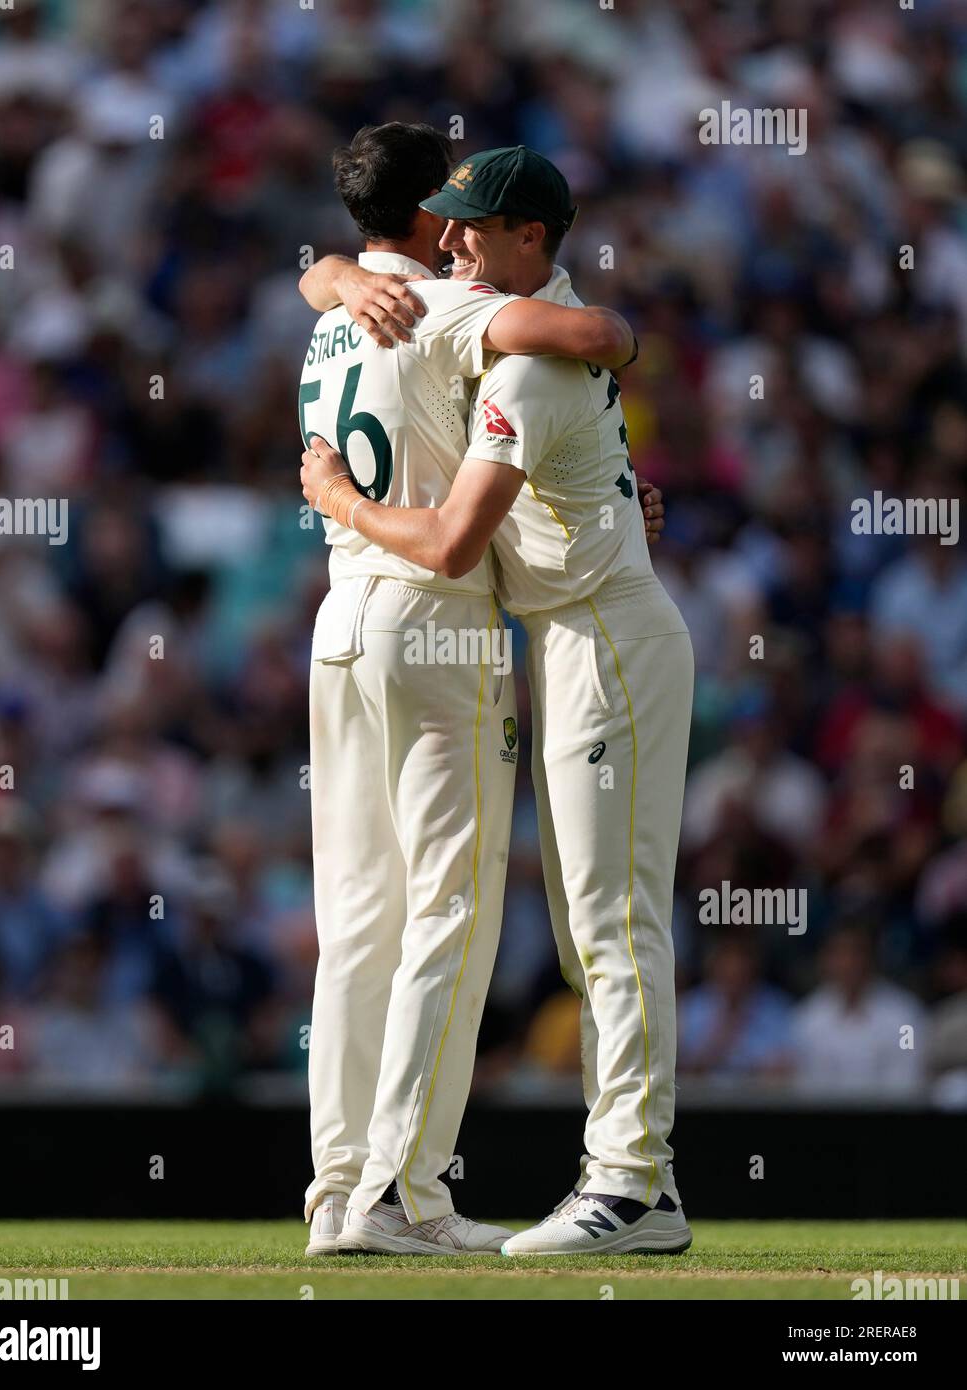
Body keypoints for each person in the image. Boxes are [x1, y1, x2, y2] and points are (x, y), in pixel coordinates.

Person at [302, 145, 694, 1256]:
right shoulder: (483, 316)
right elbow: (589, 364)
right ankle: (604, 1178)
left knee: (606, 919)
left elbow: (459, 529)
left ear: (532, 235)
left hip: (598, 637)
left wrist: (329, 490)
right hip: (555, 629)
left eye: (474, 224)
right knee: (582, 921)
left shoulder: (509, 344)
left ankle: (630, 1180)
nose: (453, 240)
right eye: (444, 221)